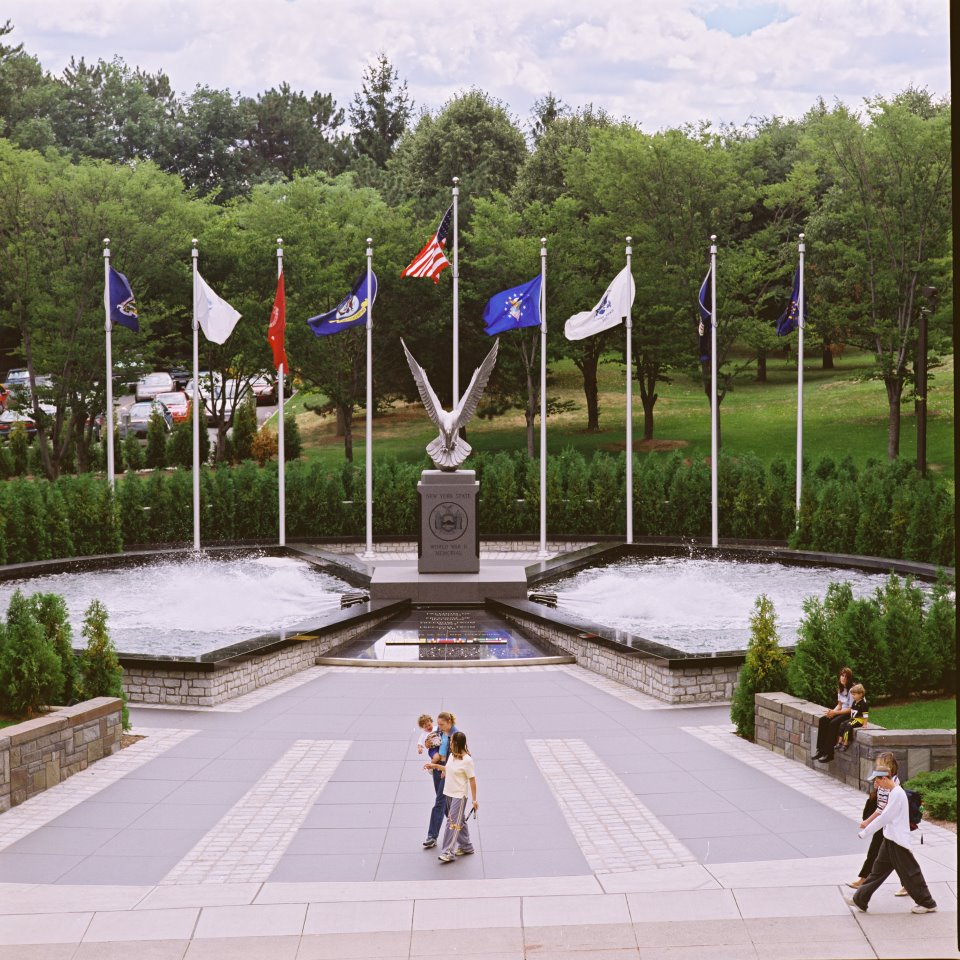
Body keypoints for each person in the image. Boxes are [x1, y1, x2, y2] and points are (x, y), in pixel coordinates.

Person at [846, 762, 937, 914]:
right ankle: (859, 900)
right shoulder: (893, 793)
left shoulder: (897, 794)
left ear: (885, 779)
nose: (876, 784)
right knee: (877, 872)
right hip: (890, 838)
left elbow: (885, 817)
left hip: (897, 840)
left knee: (911, 873)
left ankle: (927, 903)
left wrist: (865, 832)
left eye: (877, 781)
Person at [847, 751, 906, 896]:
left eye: (880, 765)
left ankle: (907, 885)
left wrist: (868, 824)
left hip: (890, 826)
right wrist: (868, 822)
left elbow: (886, 811)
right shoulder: (881, 784)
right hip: (884, 824)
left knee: (899, 858)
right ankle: (864, 879)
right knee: (877, 852)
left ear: (889, 768)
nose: (876, 768)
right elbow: (880, 807)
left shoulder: (894, 786)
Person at [429, 730, 478, 863]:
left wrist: (474, 800)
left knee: (452, 823)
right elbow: (448, 770)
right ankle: (466, 846)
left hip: (459, 795)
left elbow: (472, 780)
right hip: (449, 792)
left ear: (457, 743)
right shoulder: (452, 756)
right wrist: (435, 766)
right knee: (459, 820)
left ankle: (448, 852)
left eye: (451, 742)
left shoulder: (467, 760)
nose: (450, 744)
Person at [421, 710, 456, 849]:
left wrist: (447, 769)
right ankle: (460, 829)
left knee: (440, 801)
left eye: (441, 724)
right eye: (438, 724)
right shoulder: (440, 732)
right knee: (445, 804)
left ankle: (432, 836)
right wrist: (428, 744)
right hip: (437, 768)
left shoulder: (456, 735)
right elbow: (432, 746)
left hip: (446, 771)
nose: (439, 727)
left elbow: (458, 754)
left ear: (449, 723)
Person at [813, 666, 855, 762]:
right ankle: (820, 750)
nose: (843, 678)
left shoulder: (852, 690)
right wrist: (831, 712)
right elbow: (839, 705)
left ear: (849, 679)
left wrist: (835, 713)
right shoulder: (840, 688)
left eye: (846, 677)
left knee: (833, 723)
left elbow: (851, 709)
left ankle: (829, 753)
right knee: (823, 720)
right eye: (842, 675)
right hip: (841, 711)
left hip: (849, 713)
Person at [836, 683, 869, 752]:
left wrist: (865, 724)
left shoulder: (863, 704)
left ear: (860, 694)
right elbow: (852, 710)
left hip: (859, 720)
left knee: (848, 725)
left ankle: (846, 743)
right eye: (852, 694)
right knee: (842, 724)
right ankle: (840, 742)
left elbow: (865, 715)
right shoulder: (854, 702)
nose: (853, 696)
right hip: (853, 718)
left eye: (854, 694)